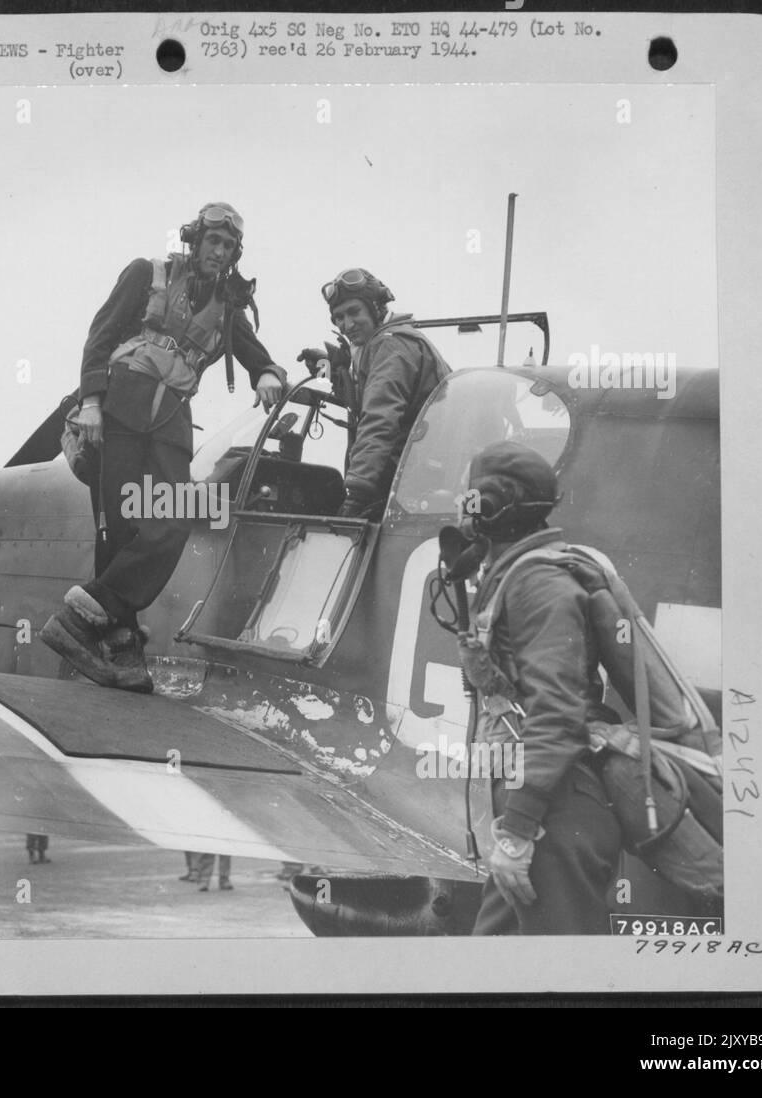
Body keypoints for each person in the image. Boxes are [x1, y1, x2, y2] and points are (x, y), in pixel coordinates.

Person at [42, 203, 287, 690]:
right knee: (117, 528)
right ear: (195, 242)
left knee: (174, 518)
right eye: (213, 242)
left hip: (173, 419)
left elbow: (259, 357)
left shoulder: (228, 307)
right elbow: (101, 335)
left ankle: (81, 617)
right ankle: (121, 645)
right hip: (121, 406)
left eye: (228, 247)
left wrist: (266, 373)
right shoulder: (146, 274)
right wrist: (91, 404)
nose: (219, 253)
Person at [452, 441, 624, 935]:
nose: (463, 511)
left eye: (471, 500)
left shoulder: (538, 584)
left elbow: (557, 717)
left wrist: (517, 834)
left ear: (490, 508)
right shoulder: (514, 576)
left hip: (554, 821)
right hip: (540, 816)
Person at [298, 268, 450, 519]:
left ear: (376, 307)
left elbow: (379, 417)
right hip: (410, 477)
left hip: (406, 484)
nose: (347, 324)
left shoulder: (391, 345)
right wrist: (334, 372)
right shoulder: (387, 343)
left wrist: (356, 492)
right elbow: (370, 395)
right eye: (338, 317)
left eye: (354, 312)